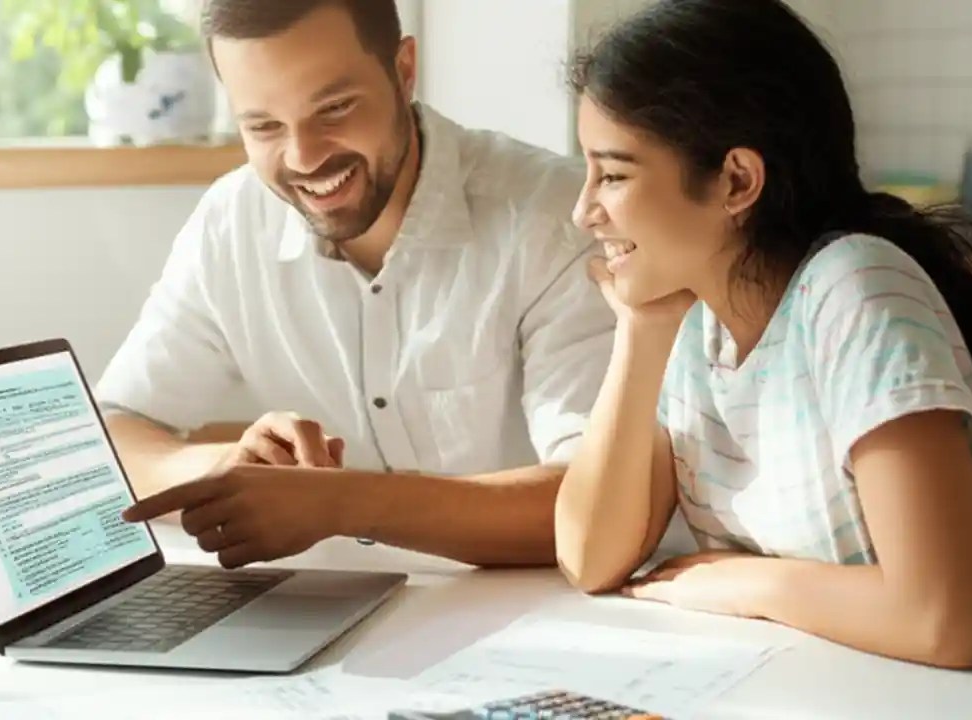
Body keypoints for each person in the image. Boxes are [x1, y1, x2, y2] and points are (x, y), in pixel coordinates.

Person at [555, 0, 972, 671]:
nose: (584, 212)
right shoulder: (697, 324)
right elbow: (589, 558)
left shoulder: (854, 290)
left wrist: (742, 582)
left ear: (737, 181)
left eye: (613, 174)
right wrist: (639, 332)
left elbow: (947, 620)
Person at [108, 0, 614, 569]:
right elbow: (113, 432)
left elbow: (598, 504)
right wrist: (229, 471)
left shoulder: (557, 219)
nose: (304, 157)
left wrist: (341, 503)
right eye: (264, 126)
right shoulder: (230, 222)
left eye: (335, 108)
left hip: (540, 617)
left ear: (403, 71)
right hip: (332, 617)